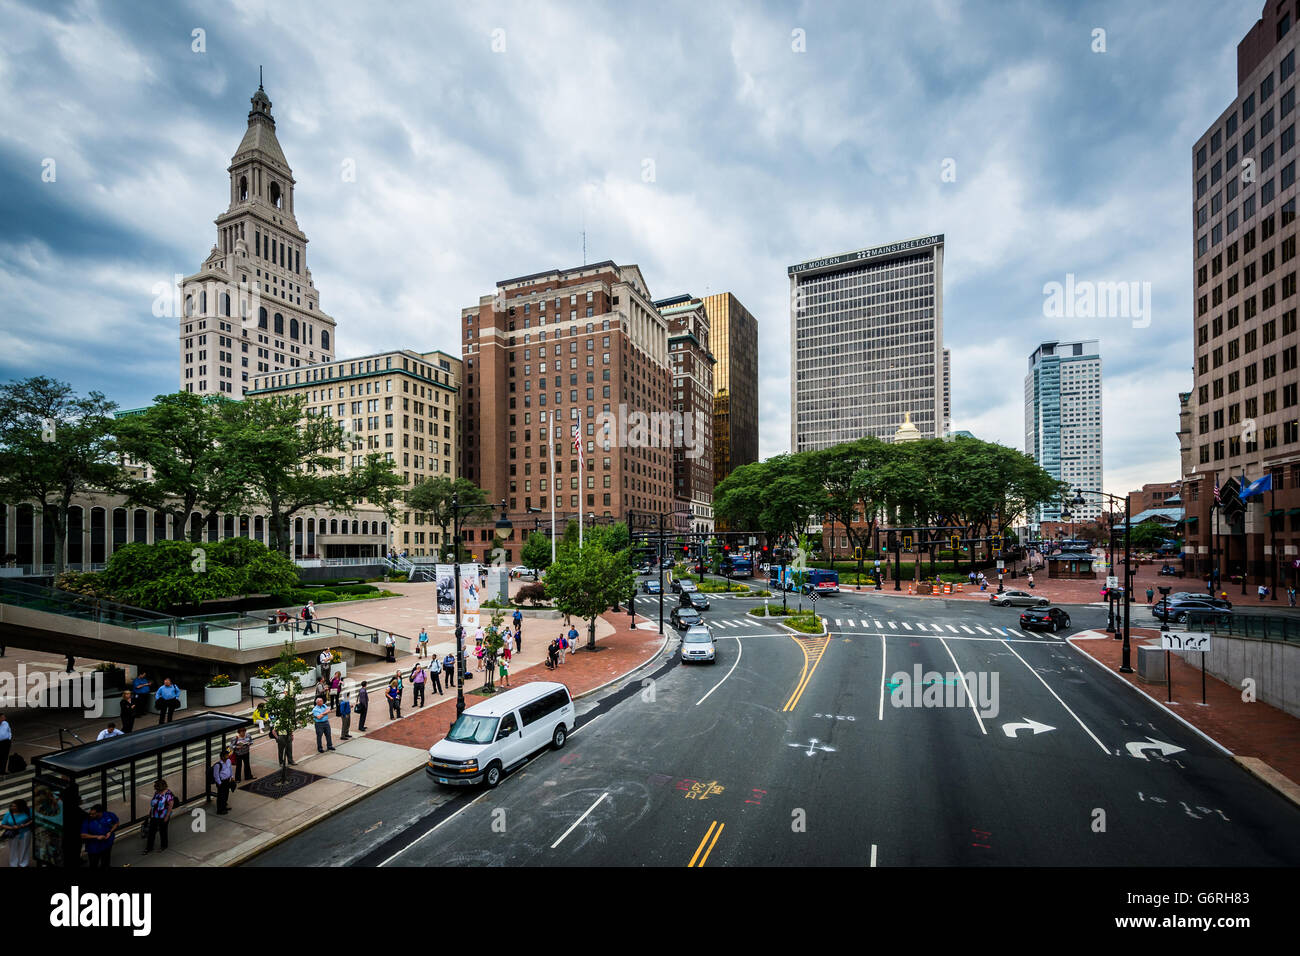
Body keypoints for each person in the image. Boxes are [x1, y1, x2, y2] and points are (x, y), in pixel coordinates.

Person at [143, 781, 174, 855]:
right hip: (154, 815)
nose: (156, 790)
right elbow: (154, 804)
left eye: (157, 788)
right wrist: (151, 814)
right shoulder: (157, 792)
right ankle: (149, 848)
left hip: (163, 816)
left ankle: (164, 846)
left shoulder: (168, 794)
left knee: (163, 831)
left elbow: (170, 806)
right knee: (151, 832)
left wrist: (167, 816)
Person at [2, 799, 32, 866]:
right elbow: (3, 824)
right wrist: (12, 827)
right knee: (13, 849)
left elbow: (33, 819)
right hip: (13, 834)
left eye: (15, 806)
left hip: (25, 833)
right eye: (11, 806)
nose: (12, 807)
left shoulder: (28, 811)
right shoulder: (8, 814)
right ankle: (13, 864)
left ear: (20, 806)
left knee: (24, 848)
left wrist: (25, 824)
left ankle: (23, 864)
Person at [213, 749, 234, 814]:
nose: (228, 756)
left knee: (226, 794)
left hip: (227, 780)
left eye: (228, 755)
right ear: (222, 757)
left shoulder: (228, 761)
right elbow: (216, 775)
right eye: (226, 755)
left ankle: (224, 806)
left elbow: (230, 769)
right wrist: (219, 783)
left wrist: (232, 777)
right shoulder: (218, 765)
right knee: (221, 796)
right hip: (222, 782)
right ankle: (220, 810)